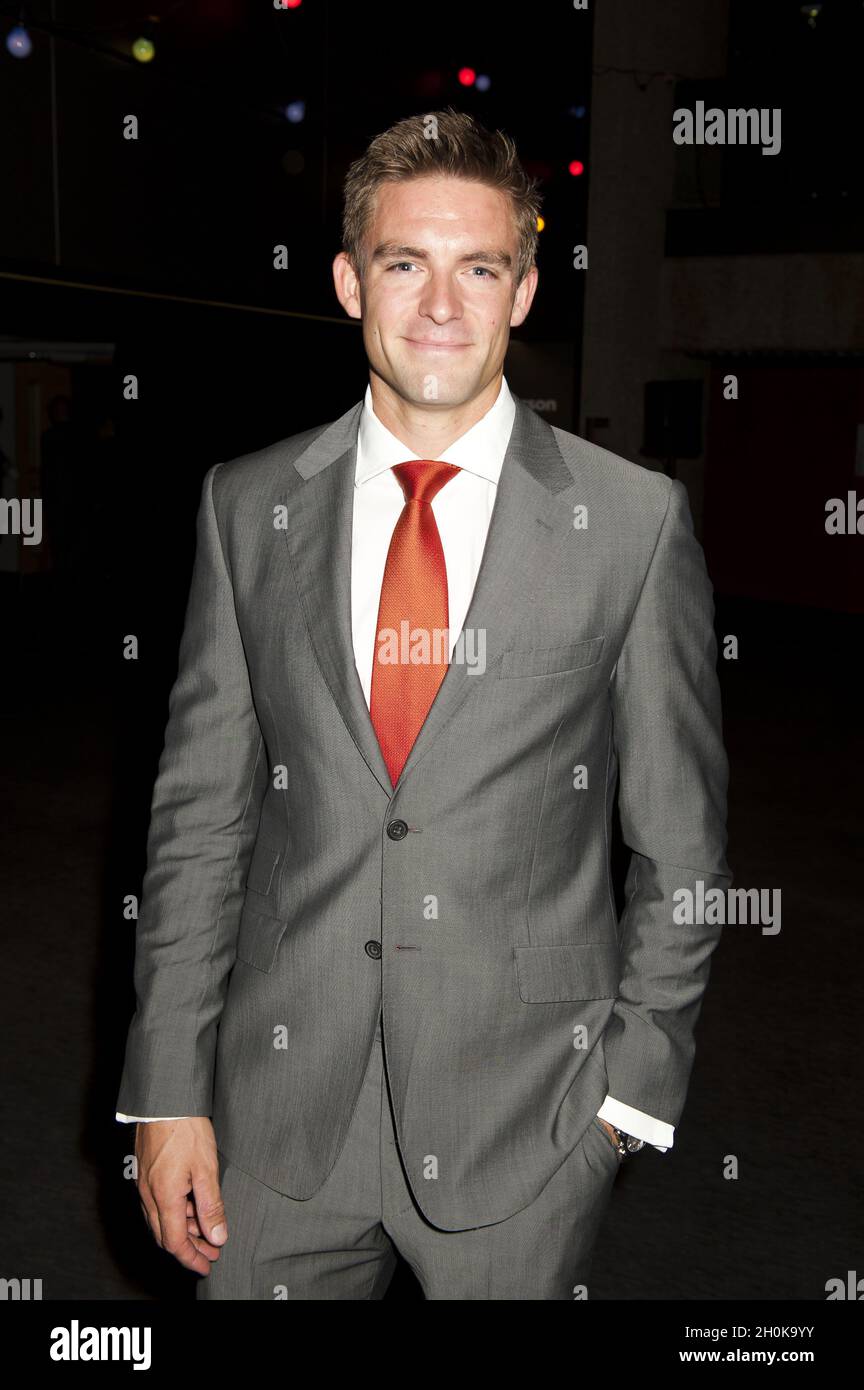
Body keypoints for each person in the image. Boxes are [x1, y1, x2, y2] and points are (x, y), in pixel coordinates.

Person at [116, 108, 731, 1300]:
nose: (441, 305)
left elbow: (684, 848)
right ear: (350, 282)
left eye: (480, 267)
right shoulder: (246, 508)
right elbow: (197, 826)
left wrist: (623, 1106)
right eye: (406, 263)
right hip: (276, 1122)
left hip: (529, 1122)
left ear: (526, 290)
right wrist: (169, 1089)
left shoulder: (632, 523)